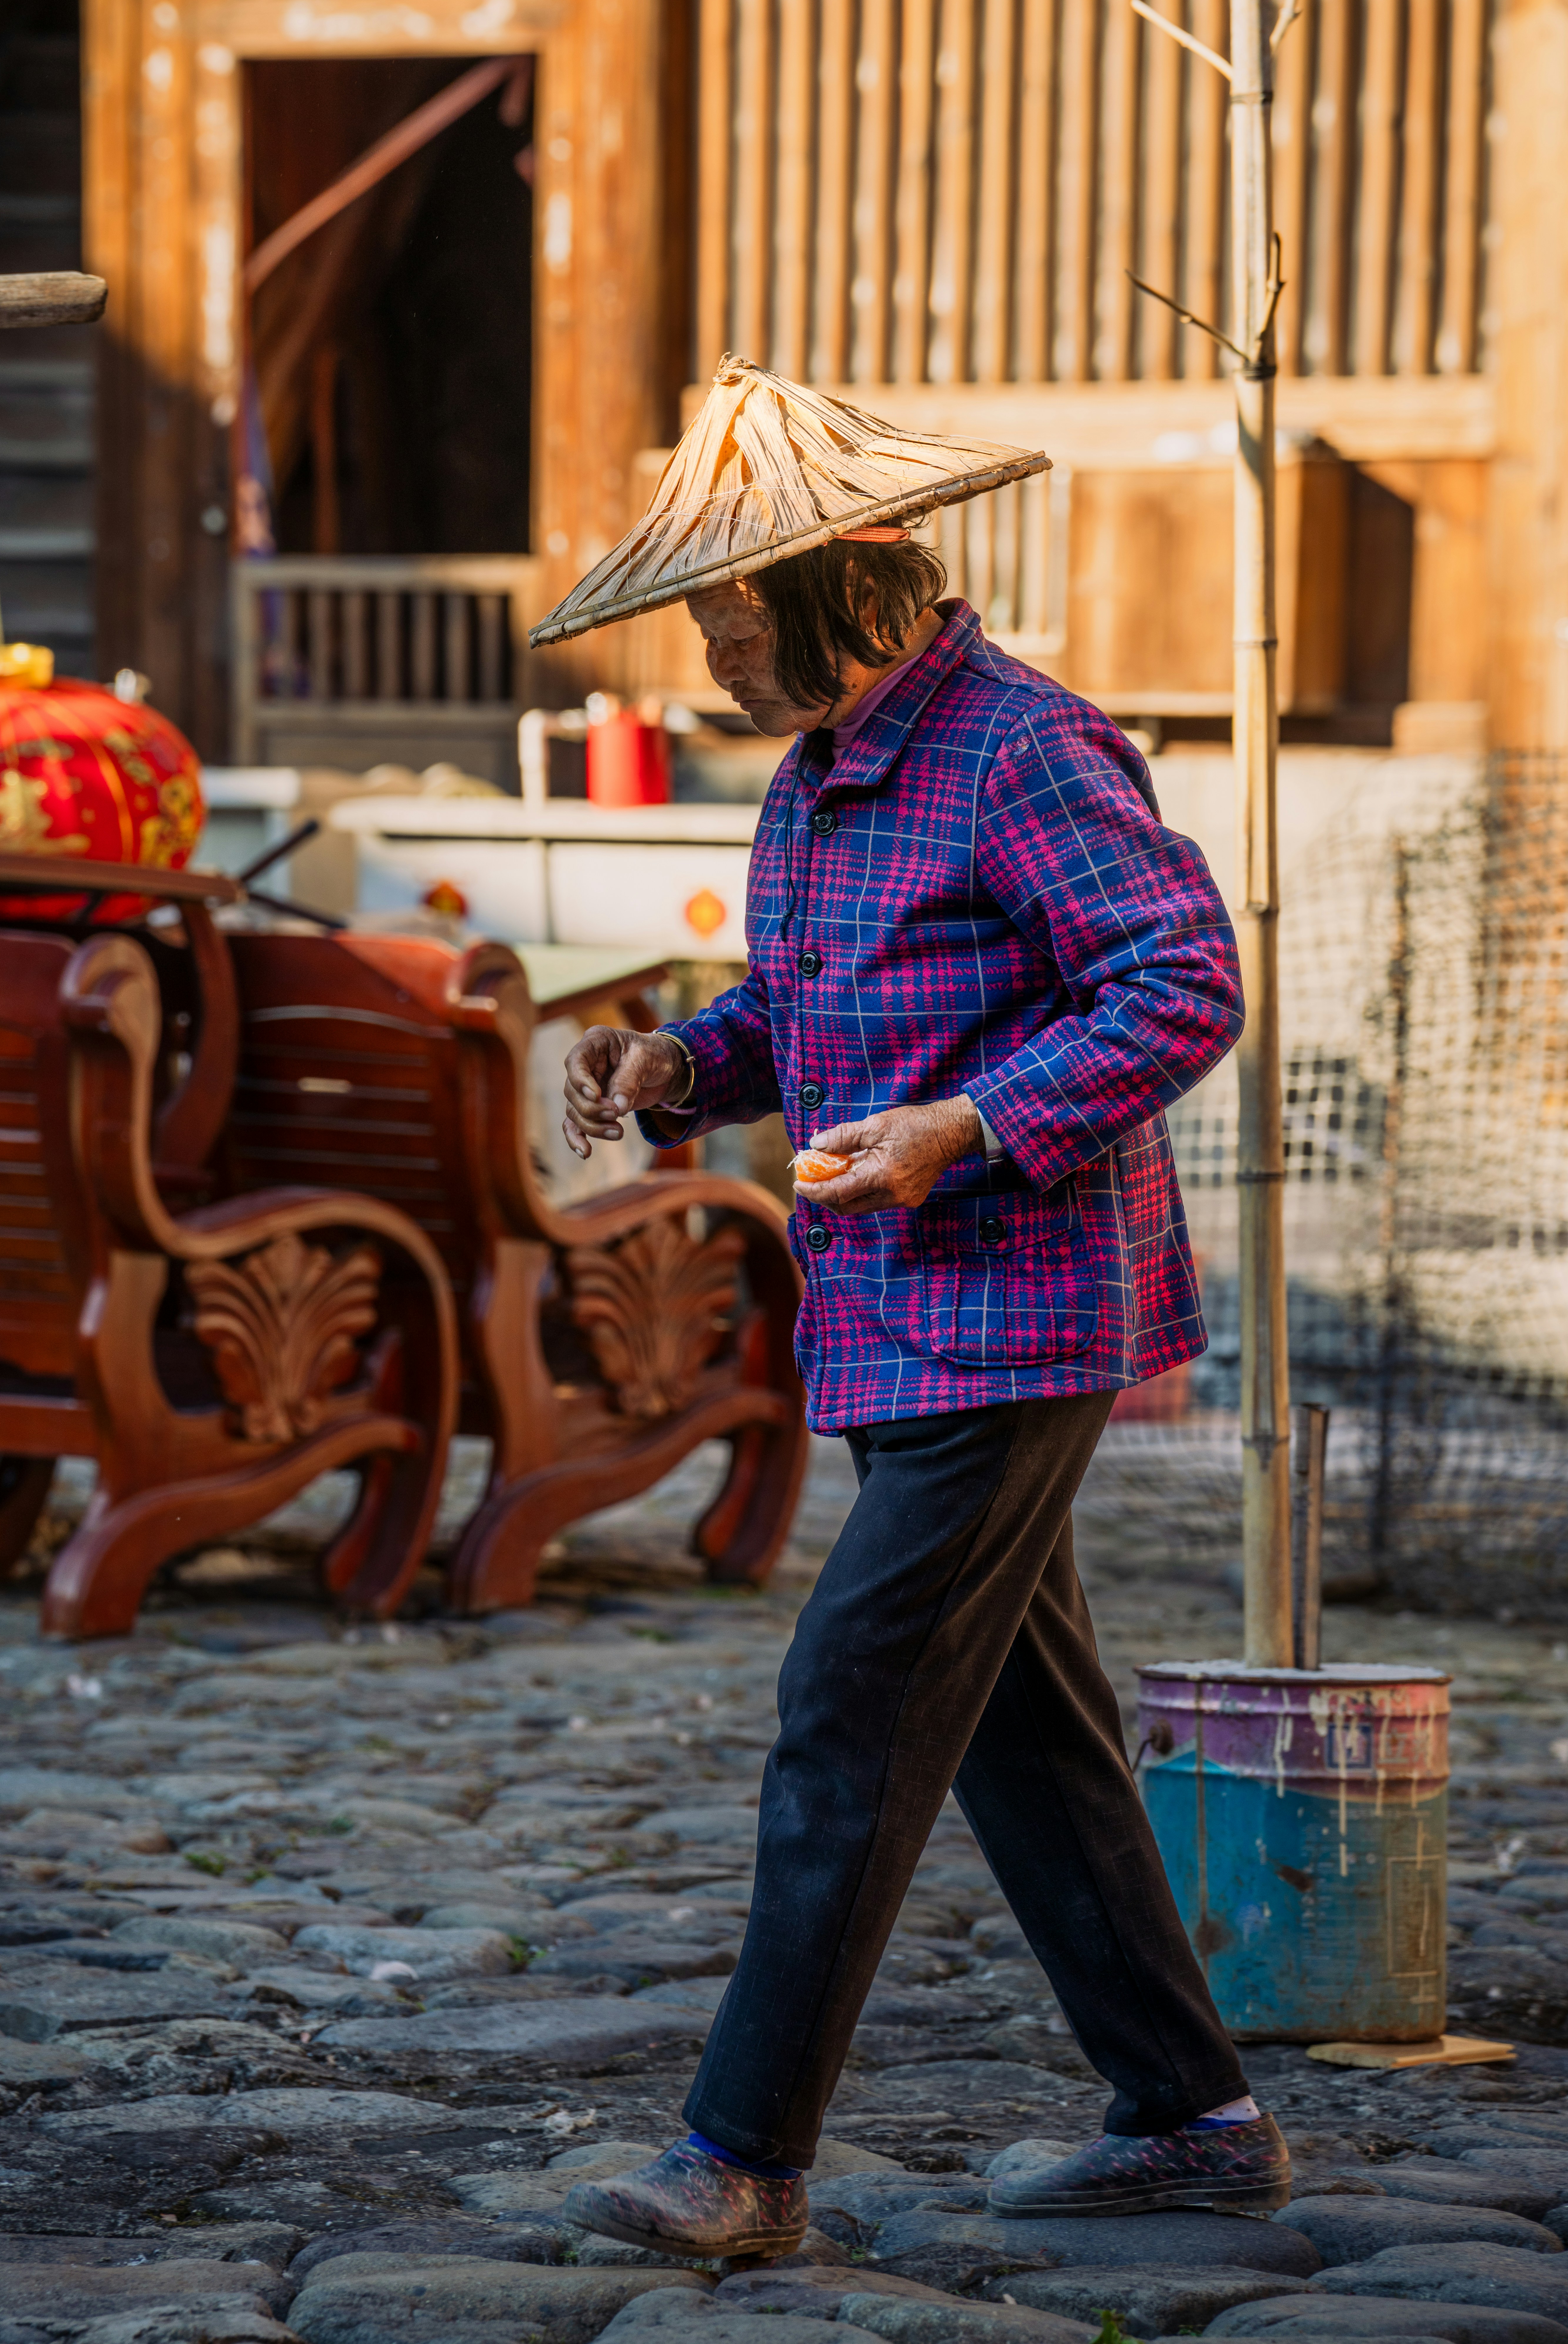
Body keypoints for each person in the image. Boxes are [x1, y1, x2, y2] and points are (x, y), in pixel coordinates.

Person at [531, 356, 1285, 2261]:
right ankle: (1196, 2118)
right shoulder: (817, 781)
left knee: (852, 1702)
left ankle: (742, 2158)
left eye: (724, 608)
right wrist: (669, 1069)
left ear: (842, 586)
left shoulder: (1025, 749)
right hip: (892, 1313)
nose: (705, 648)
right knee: (1029, 1731)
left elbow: (1181, 985)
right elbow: (803, 1016)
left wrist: (970, 1128)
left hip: (1018, 1311)